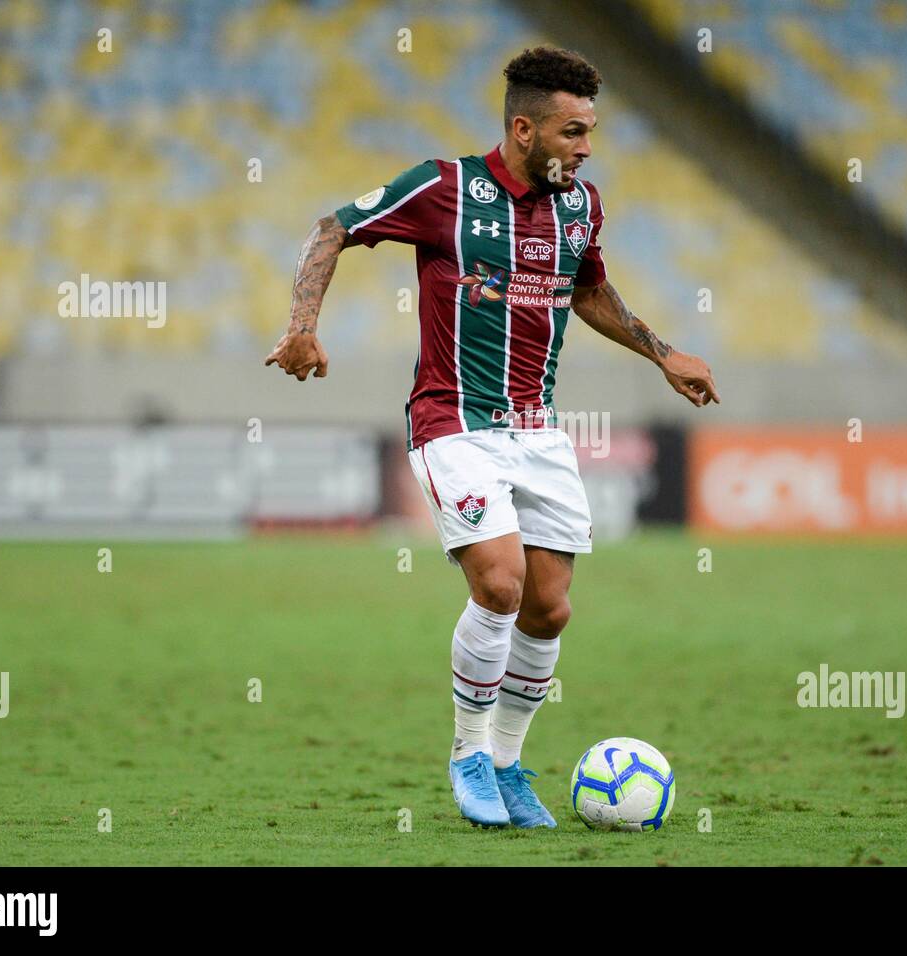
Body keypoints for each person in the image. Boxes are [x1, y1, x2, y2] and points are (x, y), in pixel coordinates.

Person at [266, 46, 720, 828]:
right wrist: (301, 328)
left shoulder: (581, 206)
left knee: (548, 609)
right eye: (573, 132)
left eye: (591, 132)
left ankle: (508, 764)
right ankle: (469, 752)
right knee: (501, 584)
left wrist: (661, 352)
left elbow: (588, 289)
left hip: (538, 430)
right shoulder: (444, 188)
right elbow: (332, 228)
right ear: (523, 128)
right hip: (452, 420)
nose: (586, 147)